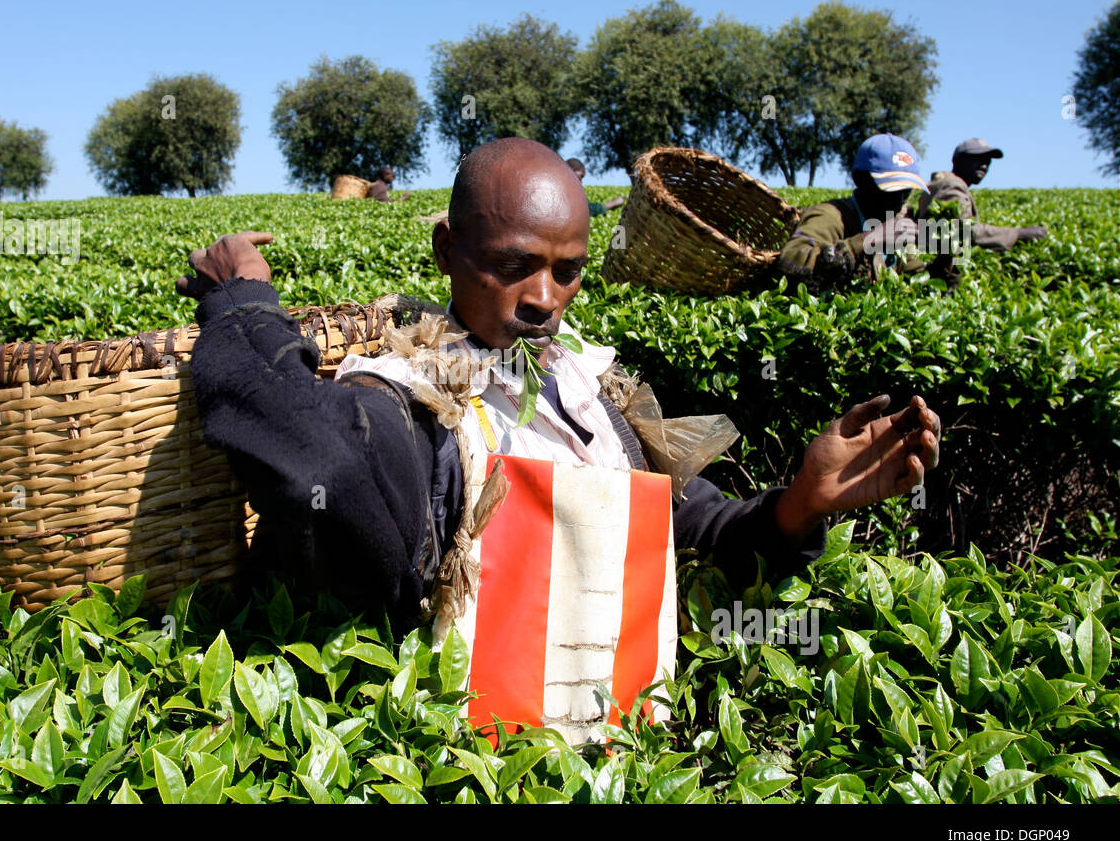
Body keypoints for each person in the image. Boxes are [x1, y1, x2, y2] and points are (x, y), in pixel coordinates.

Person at [178, 137, 941, 742]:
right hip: (483, 768)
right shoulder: (415, 397)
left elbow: (682, 531)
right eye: (515, 266)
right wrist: (244, 303)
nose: (545, 300)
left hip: (628, 757)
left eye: (567, 271)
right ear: (447, 252)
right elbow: (328, 463)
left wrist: (799, 506)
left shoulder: (588, 392)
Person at [777, 134, 929, 291]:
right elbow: (791, 261)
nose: (899, 200)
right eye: (891, 190)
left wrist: (946, 259)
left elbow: (918, 279)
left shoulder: (892, 224)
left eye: (906, 191)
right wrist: (867, 240)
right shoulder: (831, 216)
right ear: (861, 180)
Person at [915, 138, 1048, 282]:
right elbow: (964, 231)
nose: (984, 165)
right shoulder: (952, 185)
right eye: (977, 159)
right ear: (958, 160)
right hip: (937, 275)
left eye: (987, 161)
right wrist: (1018, 234)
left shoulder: (947, 183)